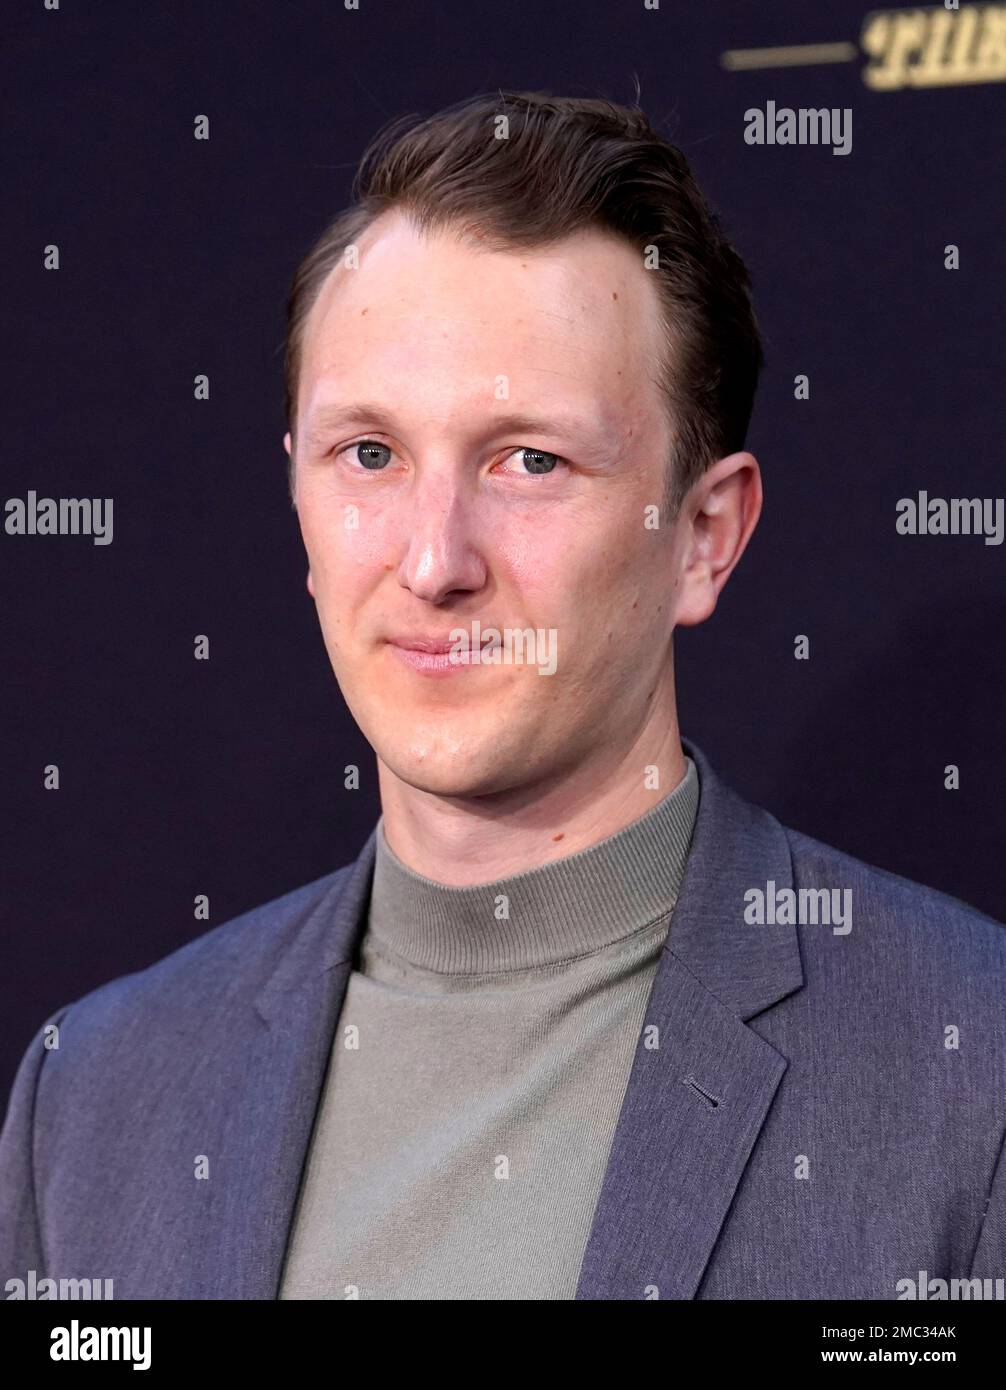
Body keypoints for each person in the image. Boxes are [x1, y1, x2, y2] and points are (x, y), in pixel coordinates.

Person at [2, 92, 1004, 1302]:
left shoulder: (969, 1067)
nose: (433, 562)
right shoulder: (95, 1099)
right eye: (368, 454)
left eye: (529, 461)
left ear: (703, 536)